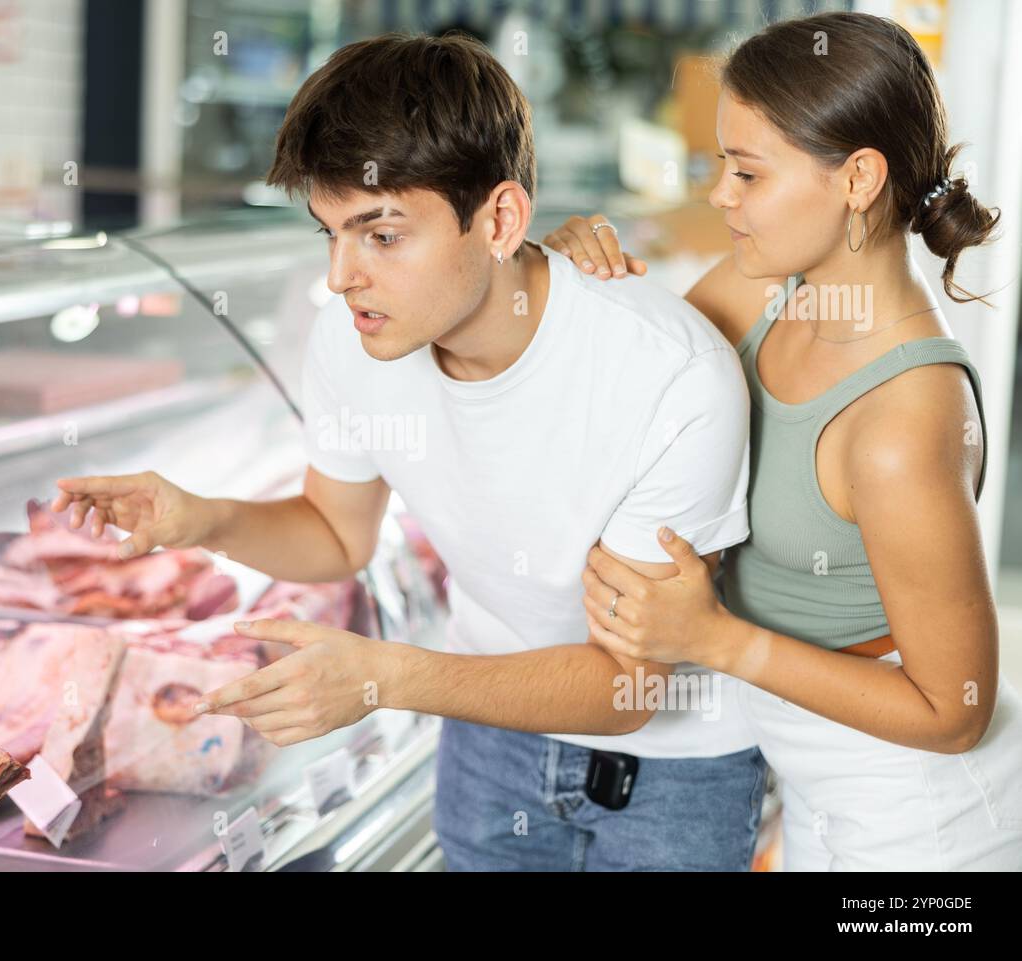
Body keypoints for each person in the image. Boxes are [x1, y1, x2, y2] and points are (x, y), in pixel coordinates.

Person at [52, 32, 766, 871]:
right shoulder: (350, 341)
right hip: (487, 741)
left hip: (675, 774)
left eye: (381, 235)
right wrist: (200, 516)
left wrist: (384, 677)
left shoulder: (671, 376)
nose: (341, 276)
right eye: (330, 234)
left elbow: (629, 687)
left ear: (500, 218)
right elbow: (336, 533)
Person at [544, 11, 1022, 870]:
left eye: (747, 172)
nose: (721, 193)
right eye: (722, 165)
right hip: (815, 790)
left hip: (927, 826)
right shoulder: (768, 288)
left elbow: (956, 711)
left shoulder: (902, 417)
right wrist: (575, 284)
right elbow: (626, 397)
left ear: (858, 179)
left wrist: (716, 638)